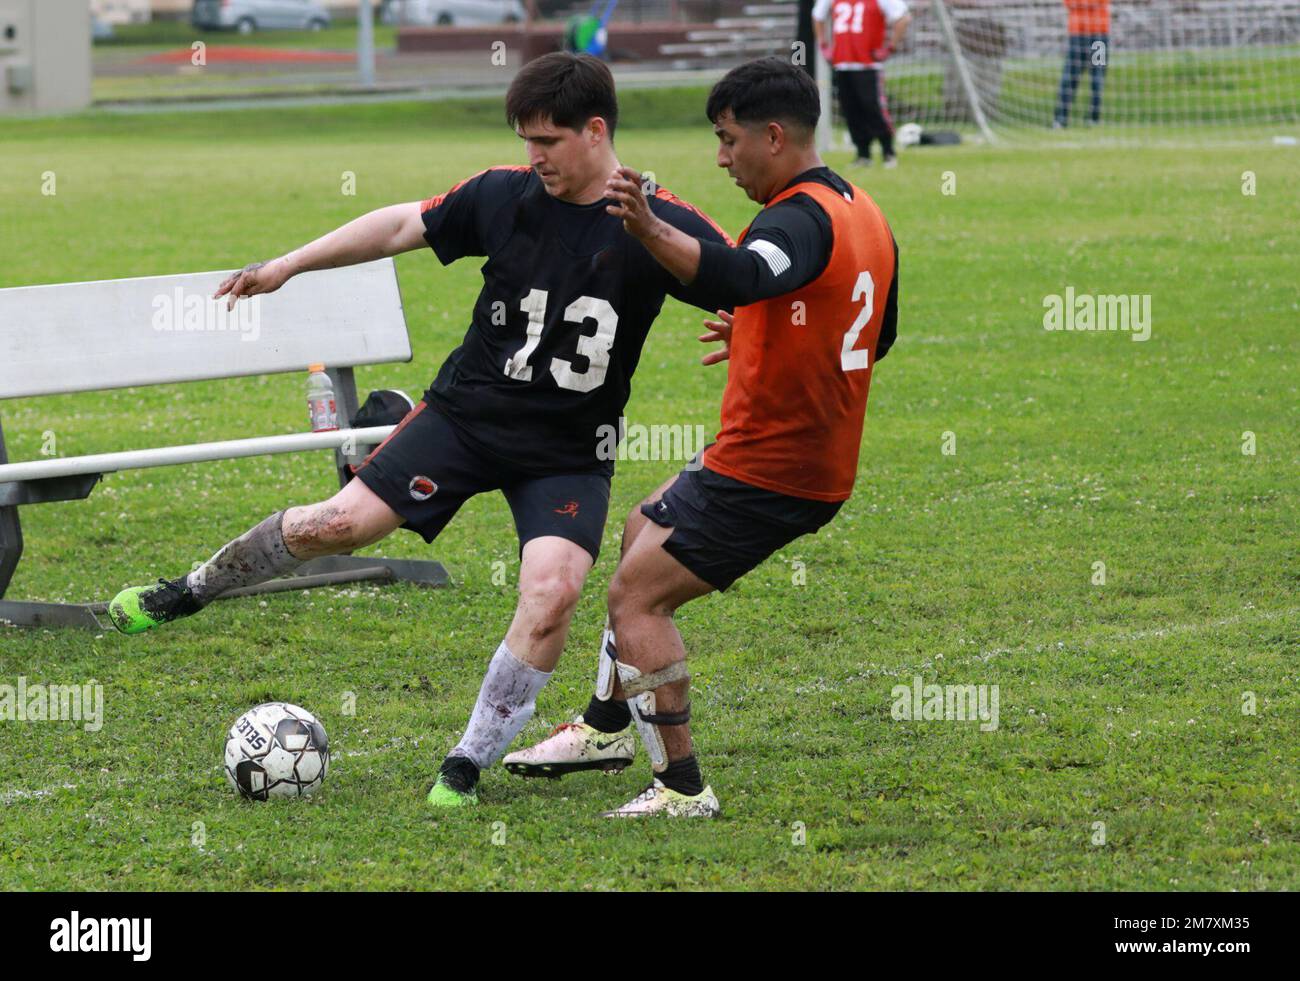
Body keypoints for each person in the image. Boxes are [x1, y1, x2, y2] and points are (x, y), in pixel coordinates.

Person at [106, 52, 731, 808]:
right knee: (337, 523)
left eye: (549, 142)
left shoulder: (653, 218)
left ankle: (465, 763)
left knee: (554, 590)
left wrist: (742, 316)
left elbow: (743, 276)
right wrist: (290, 265)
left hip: (568, 450)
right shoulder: (506, 195)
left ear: (596, 132)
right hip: (465, 418)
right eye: (527, 141)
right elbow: (404, 222)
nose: (534, 158)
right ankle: (189, 589)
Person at [504, 57, 899, 817]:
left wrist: (649, 225)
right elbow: (874, 334)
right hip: (783, 456)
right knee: (640, 526)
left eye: (727, 140)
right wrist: (772, 330)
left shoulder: (797, 215)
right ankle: (607, 725)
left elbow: (742, 273)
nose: (721, 159)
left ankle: (682, 786)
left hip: (776, 467)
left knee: (635, 602)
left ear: (774, 137)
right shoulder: (864, 212)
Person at [813, 0, 912, 168]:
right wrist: (823, 44)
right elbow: (817, 16)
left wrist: (890, 47)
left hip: (868, 64)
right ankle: (862, 154)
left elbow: (904, 18)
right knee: (850, 110)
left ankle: (888, 151)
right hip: (842, 62)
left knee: (872, 107)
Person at [1053, 0, 1110, 127]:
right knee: (1070, 77)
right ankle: (1060, 119)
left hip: (1099, 35)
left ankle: (1094, 118)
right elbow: (1069, 3)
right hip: (1077, 34)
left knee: (1097, 77)